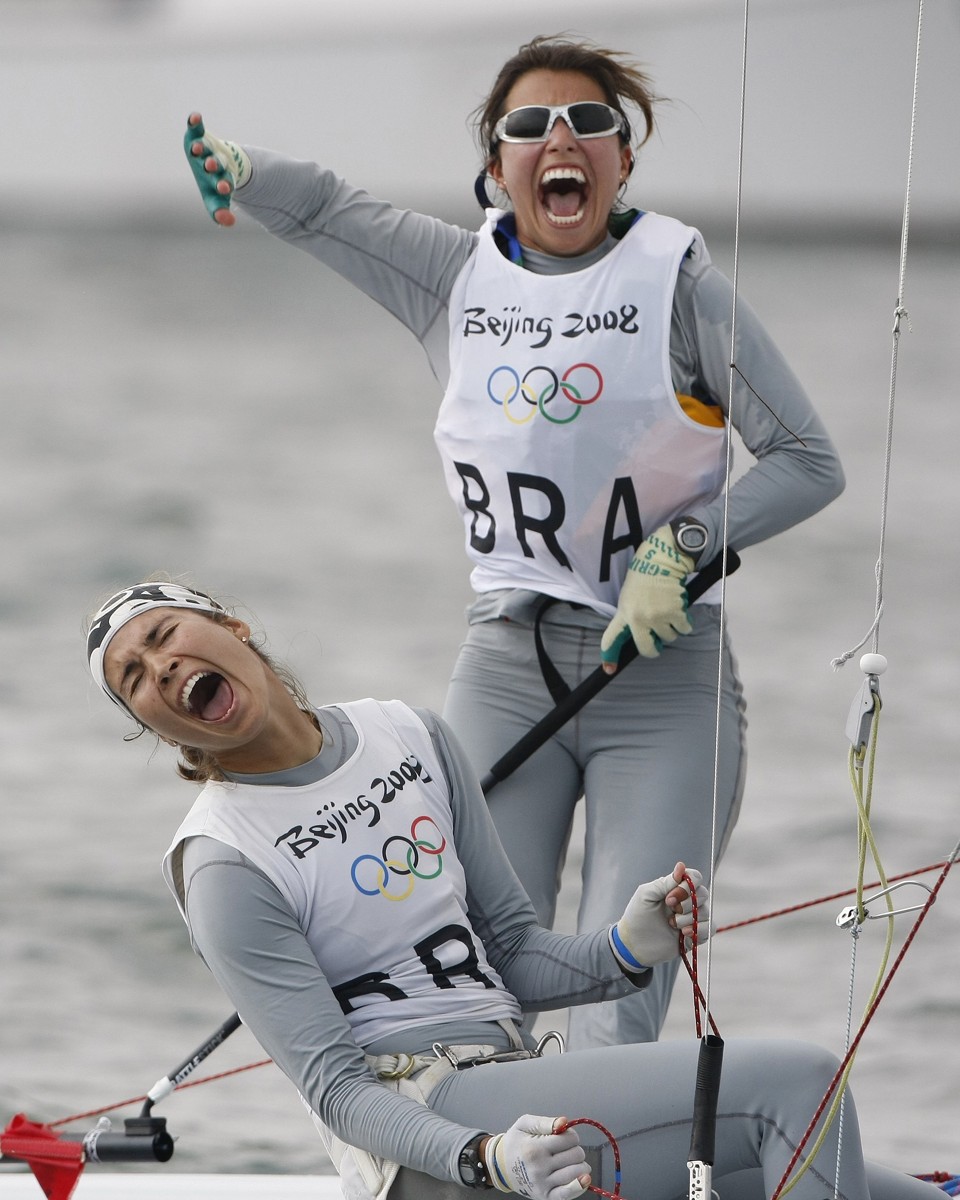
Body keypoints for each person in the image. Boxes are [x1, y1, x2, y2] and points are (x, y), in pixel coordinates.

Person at [183, 34, 846, 1047]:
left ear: (625, 159)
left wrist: (684, 548)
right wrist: (243, 172)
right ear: (497, 169)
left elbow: (808, 458)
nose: (559, 140)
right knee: (472, 973)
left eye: (590, 122)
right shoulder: (455, 274)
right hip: (504, 664)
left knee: (624, 995)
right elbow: (324, 209)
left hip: (663, 681)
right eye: (527, 127)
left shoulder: (682, 286)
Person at [86, 580, 935, 1200]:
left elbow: (517, 957)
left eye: (164, 637)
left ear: (231, 626)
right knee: (800, 1085)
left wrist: (624, 950)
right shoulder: (223, 862)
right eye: (134, 679)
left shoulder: (406, 732)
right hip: (434, 1144)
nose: (160, 669)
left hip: (521, 1088)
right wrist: (483, 1156)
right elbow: (339, 1093)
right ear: (151, 725)